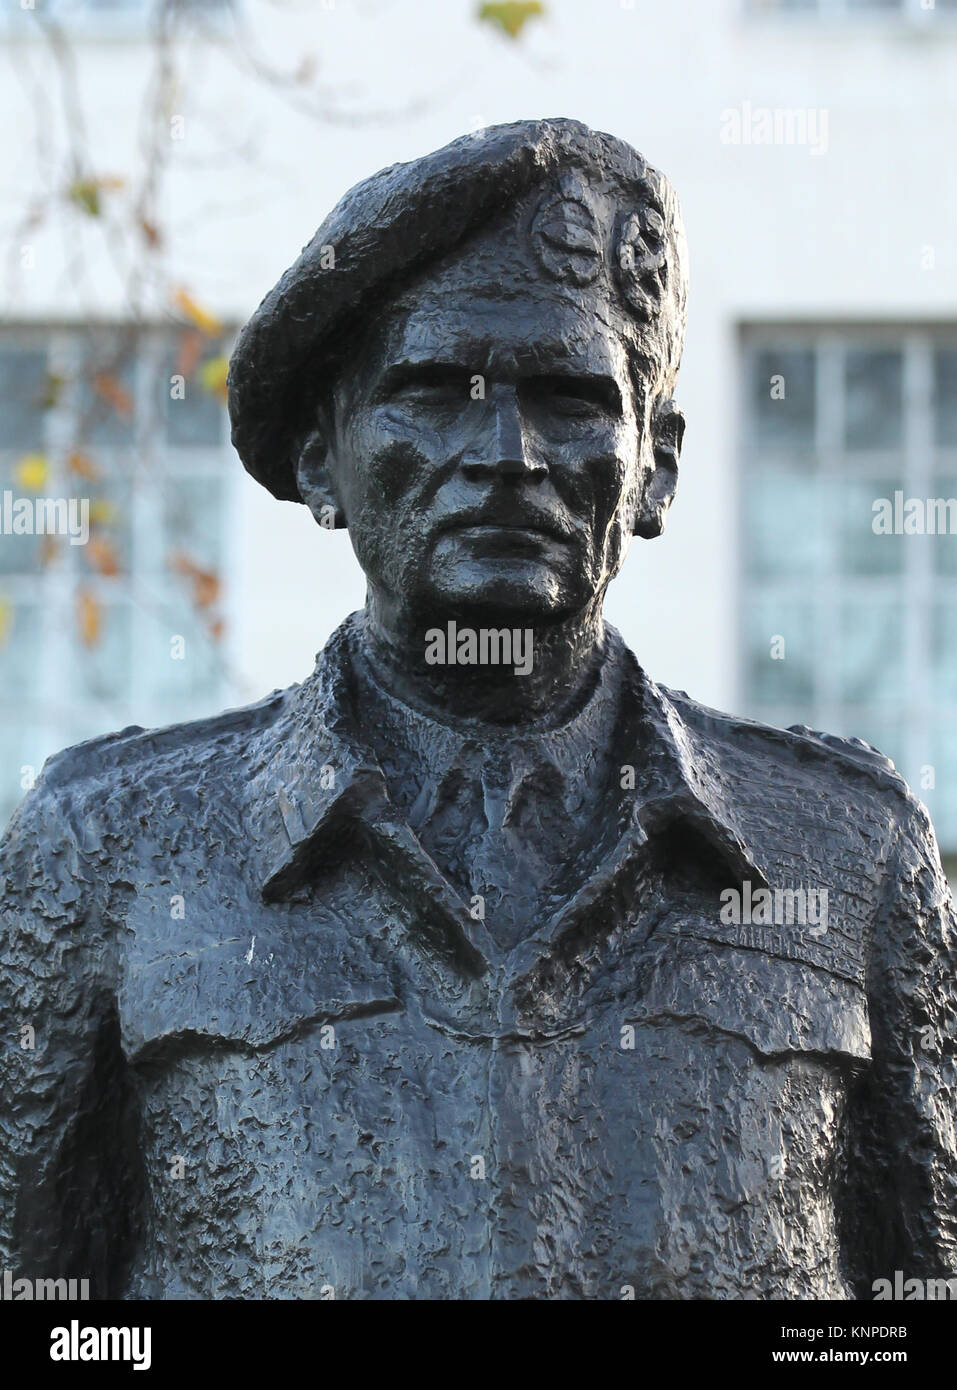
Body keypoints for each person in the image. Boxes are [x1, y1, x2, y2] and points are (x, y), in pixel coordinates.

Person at [1, 118, 954, 1300]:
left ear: (654, 466)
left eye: (569, 398)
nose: (507, 452)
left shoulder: (851, 854)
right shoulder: (110, 847)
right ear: (322, 456)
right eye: (432, 393)